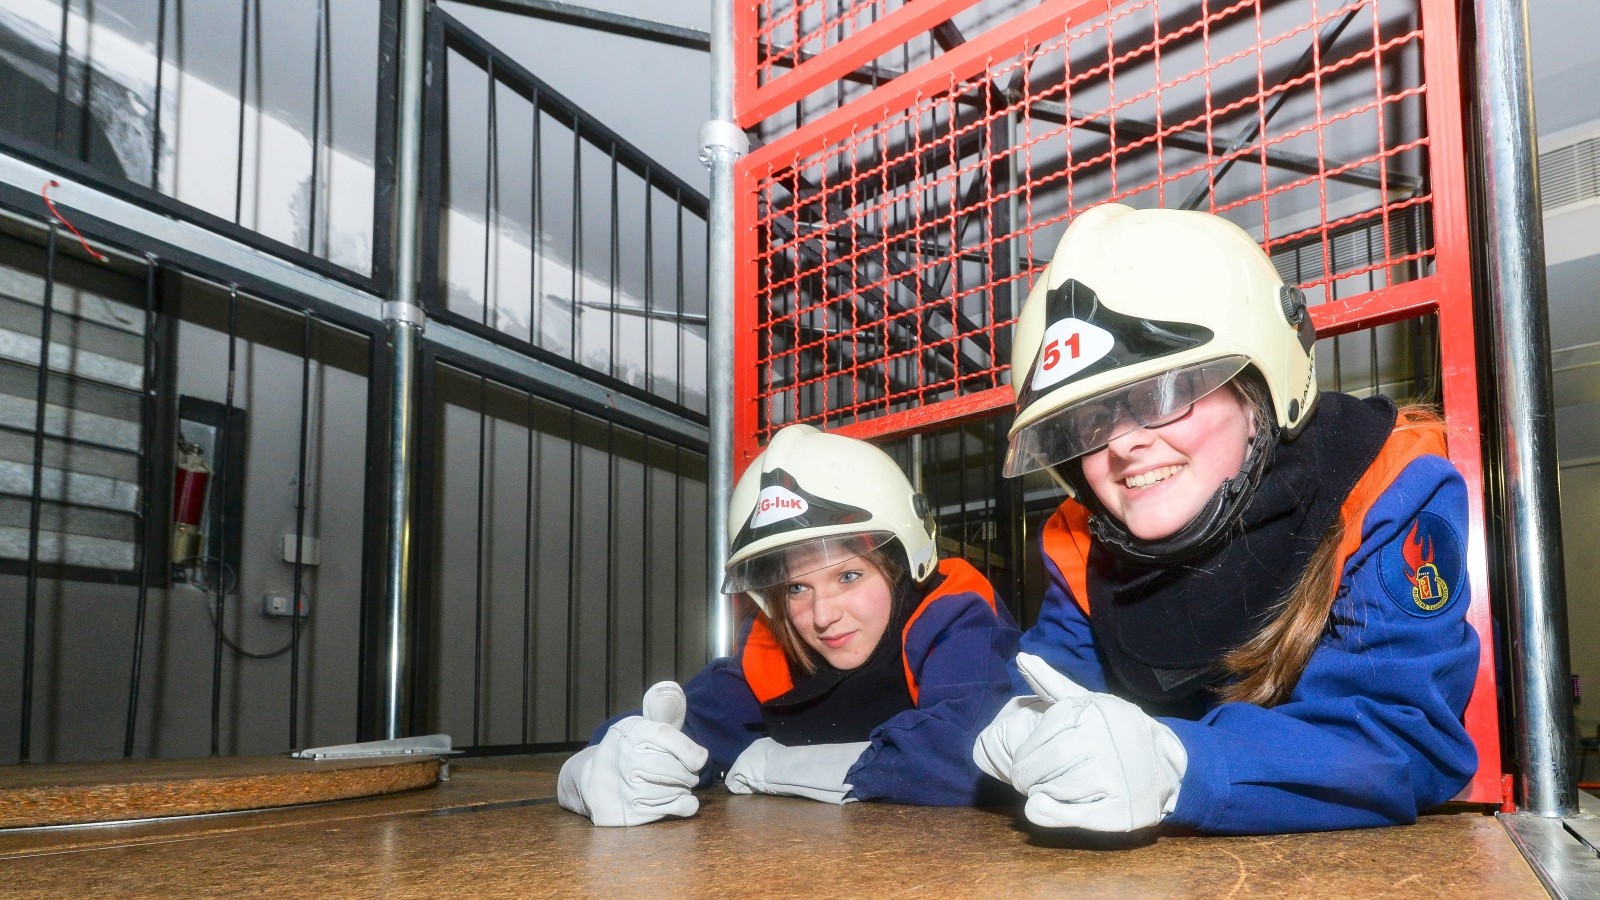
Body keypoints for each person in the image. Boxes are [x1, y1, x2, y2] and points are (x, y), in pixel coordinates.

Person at [973, 203, 1479, 835]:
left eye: (1162, 393)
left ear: (1261, 383)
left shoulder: (1386, 489)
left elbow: (1401, 738)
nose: (1123, 445)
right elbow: (1058, 682)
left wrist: (1182, 765)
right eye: (1091, 422)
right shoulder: (1078, 546)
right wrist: (1021, 733)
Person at [558, 424, 1021, 826]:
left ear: (904, 561)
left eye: (848, 575)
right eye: (796, 589)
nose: (822, 617)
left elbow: (972, 752)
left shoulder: (953, 611)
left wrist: (775, 765)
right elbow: (681, 732)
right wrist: (610, 762)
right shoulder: (772, 647)